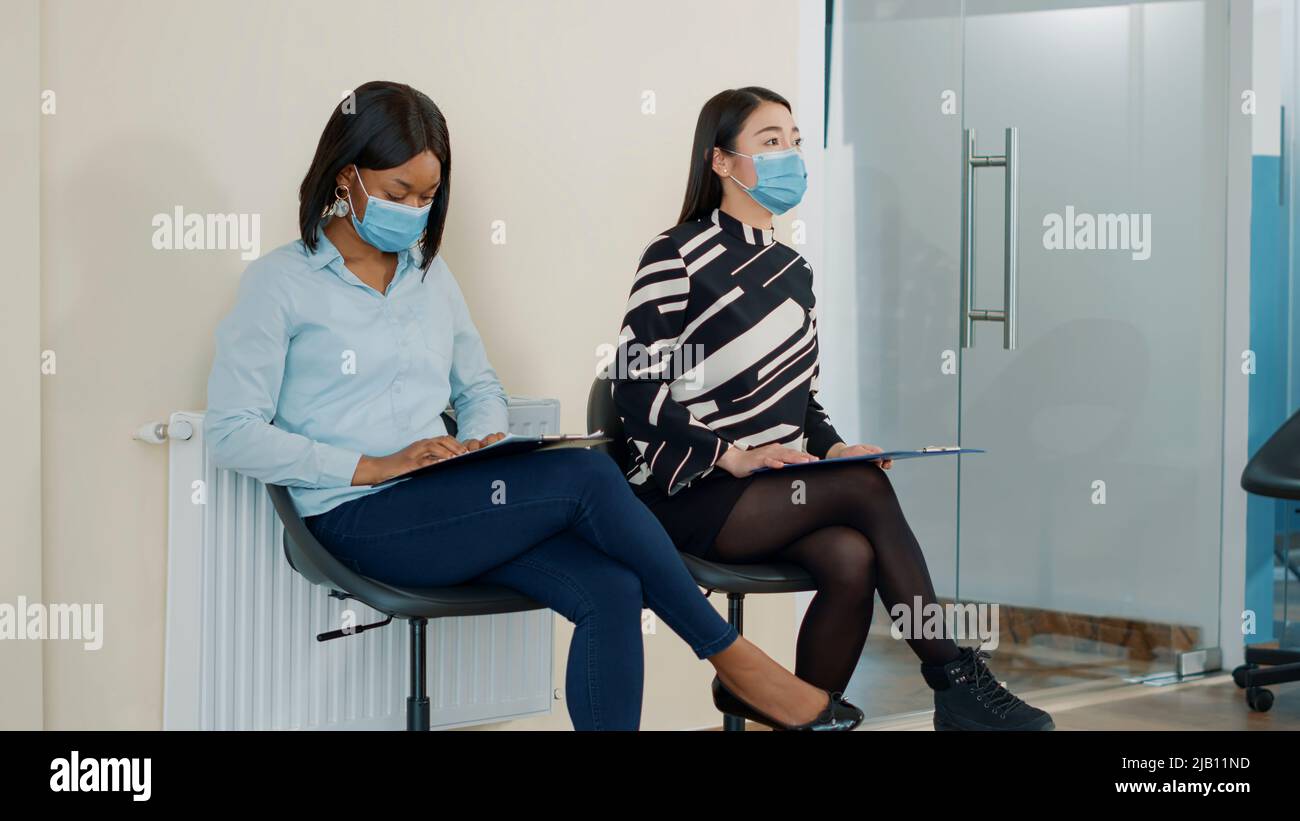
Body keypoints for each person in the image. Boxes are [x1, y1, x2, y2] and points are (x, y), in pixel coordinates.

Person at [203, 80, 861, 732]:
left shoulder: (429, 278)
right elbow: (232, 433)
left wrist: (480, 441)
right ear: (346, 177)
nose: (415, 210)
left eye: (428, 196)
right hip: (354, 518)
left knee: (612, 588)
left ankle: (733, 669)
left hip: (446, 500)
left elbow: (480, 388)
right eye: (399, 192)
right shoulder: (280, 285)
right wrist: (370, 465)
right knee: (587, 474)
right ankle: (735, 659)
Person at [609, 86, 1053, 731]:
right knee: (864, 490)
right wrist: (730, 455)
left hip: (766, 489)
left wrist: (835, 447)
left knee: (852, 557)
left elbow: (801, 400)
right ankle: (954, 676)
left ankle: (789, 709)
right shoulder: (675, 254)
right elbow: (632, 389)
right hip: (691, 490)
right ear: (722, 161)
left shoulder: (793, 268)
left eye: (794, 140)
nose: (790, 153)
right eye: (770, 142)